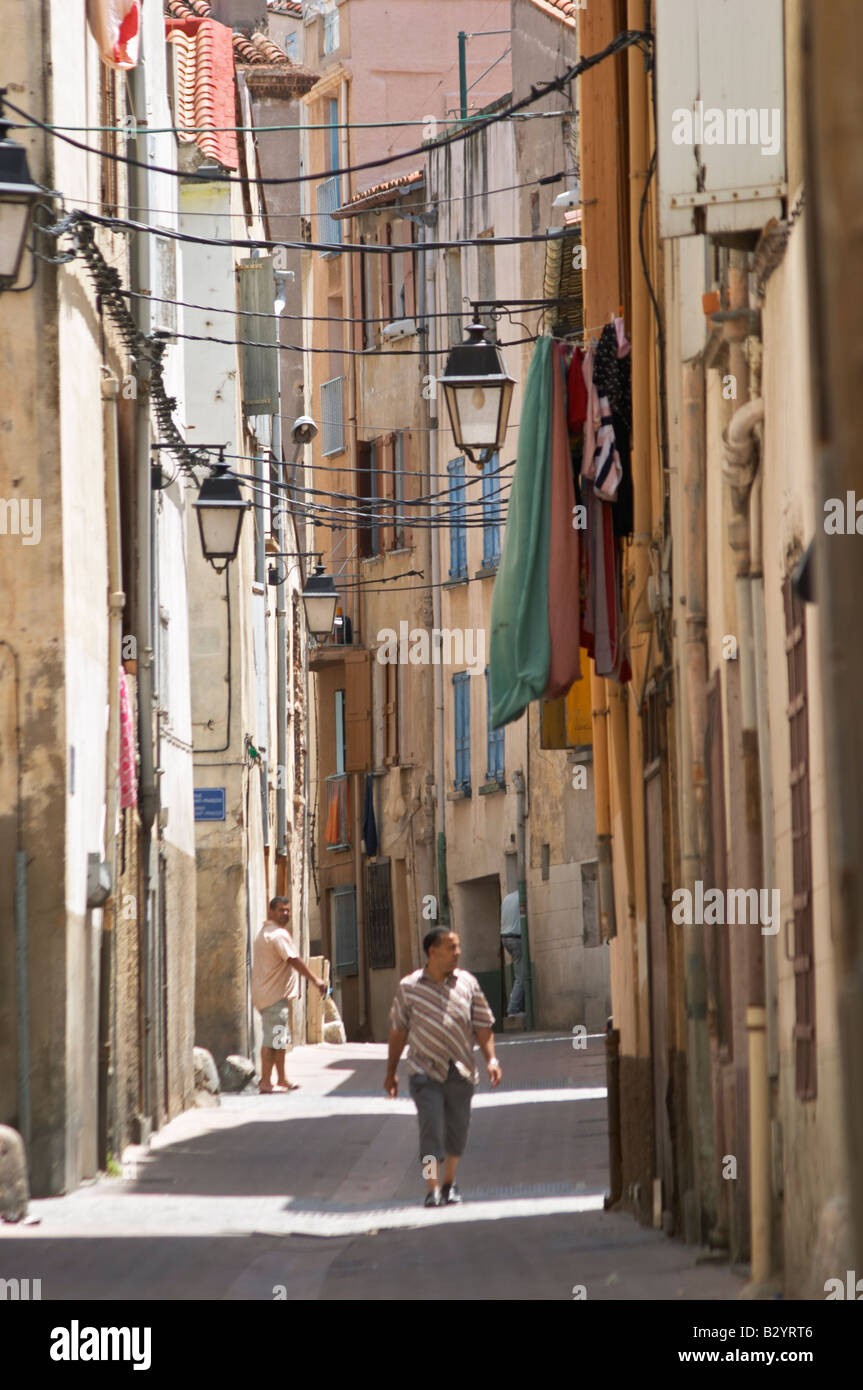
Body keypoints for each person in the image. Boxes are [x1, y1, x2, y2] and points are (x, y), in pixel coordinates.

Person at [384, 927, 501, 1207]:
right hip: (424, 1071)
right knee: (430, 1130)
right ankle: (431, 1187)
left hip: (461, 1070)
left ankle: (449, 1183)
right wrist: (390, 1073)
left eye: (458, 947)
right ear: (432, 951)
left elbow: (483, 1024)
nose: (457, 953)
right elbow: (398, 1031)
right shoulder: (410, 987)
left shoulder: (467, 983)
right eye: (451, 947)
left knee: (456, 1132)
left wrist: (491, 1059)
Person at [251, 896, 326, 1093]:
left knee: (279, 1039)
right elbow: (293, 960)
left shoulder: (265, 933)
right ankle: (266, 1081)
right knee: (273, 1040)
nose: (285, 913)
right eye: (281, 910)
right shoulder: (277, 935)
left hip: (268, 996)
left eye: (287, 910)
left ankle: (281, 1078)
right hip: (274, 998)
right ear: (271, 912)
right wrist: (315, 980)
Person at [500, 890, 525, 1016]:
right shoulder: (523, 897)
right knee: (520, 976)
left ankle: (514, 1006)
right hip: (516, 938)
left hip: (505, 937)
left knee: (518, 972)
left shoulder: (508, 898)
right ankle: (513, 1009)